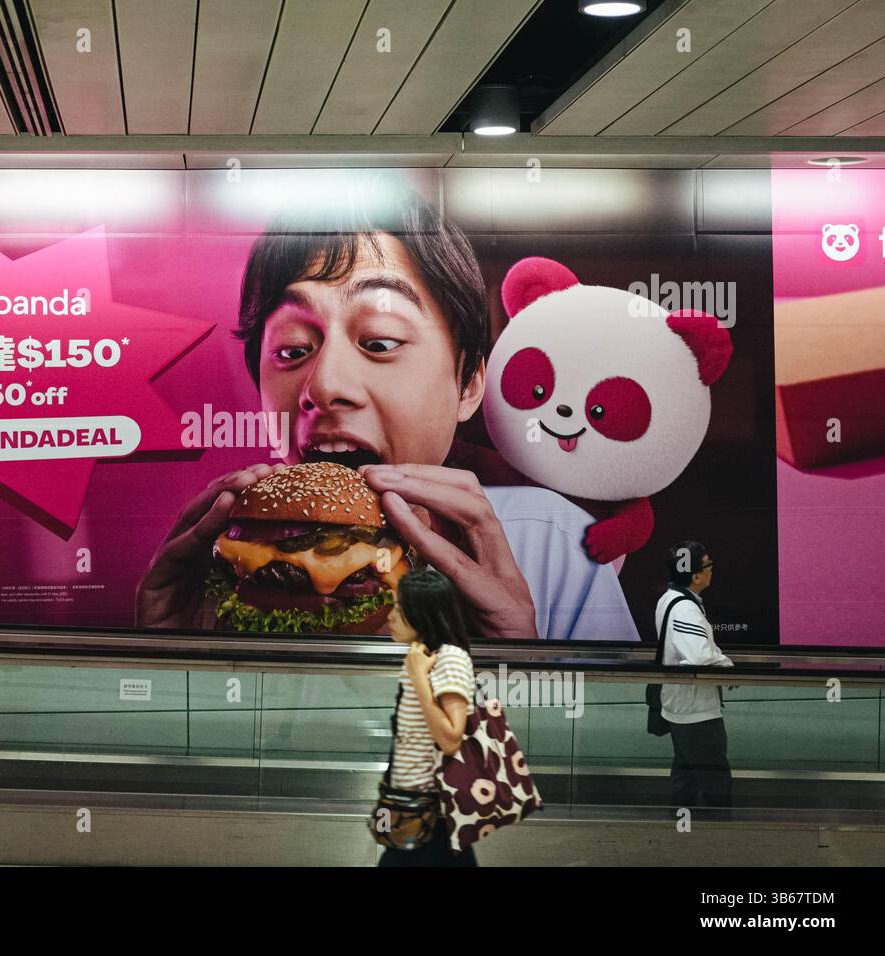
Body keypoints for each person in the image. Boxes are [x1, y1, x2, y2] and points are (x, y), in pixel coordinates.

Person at [137, 176, 637, 640]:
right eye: (291, 350)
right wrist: (173, 660)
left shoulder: (556, 545)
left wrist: (513, 661)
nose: (325, 386)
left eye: (379, 342)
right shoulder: (223, 562)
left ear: (468, 384)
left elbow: (616, 732)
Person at [378, 566, 479, 866]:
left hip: (434, 810)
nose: (389, 617)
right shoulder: (419, 656)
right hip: (410, 805)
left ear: (423, 613)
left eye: (399, 609)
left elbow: (450, 739)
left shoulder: (450, 659)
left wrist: (419, 677)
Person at [656, 539, 733, 807]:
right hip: (695, 709)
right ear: (696, 575)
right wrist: (725, 665)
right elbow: (700, 657)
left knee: (685, 773)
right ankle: (720, 832)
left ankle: (680, 827)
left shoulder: (669, 599)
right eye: (708, 565)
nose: (712, 569)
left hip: (679, 705)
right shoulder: (686, 609)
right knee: (715, 778)